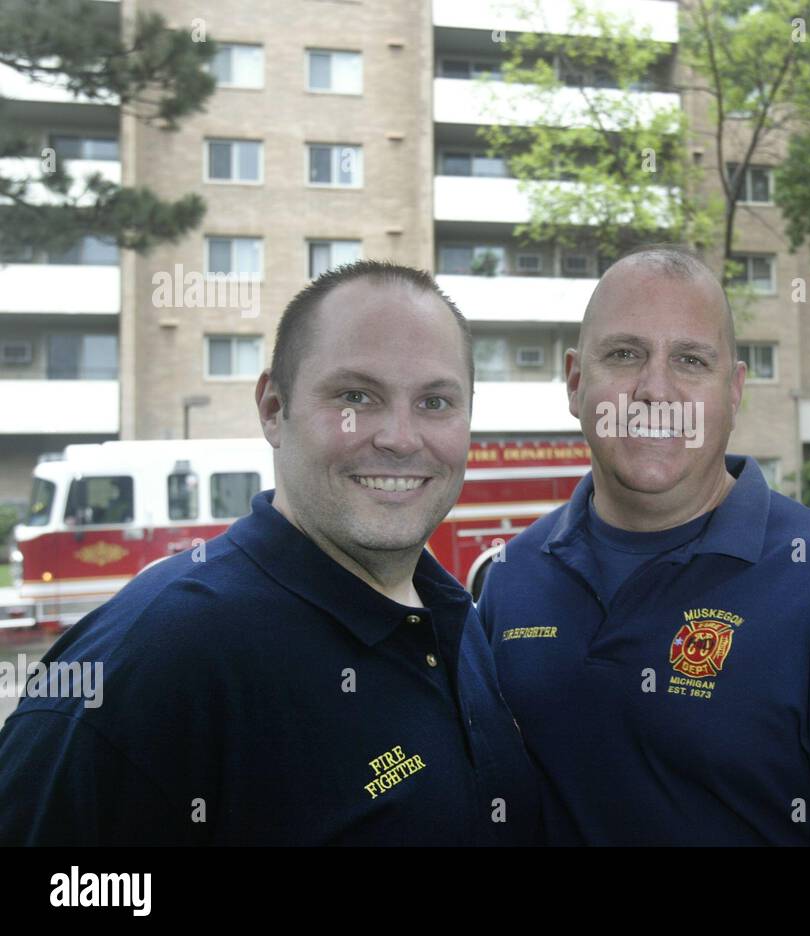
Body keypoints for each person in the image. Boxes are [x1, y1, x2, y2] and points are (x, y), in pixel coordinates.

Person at [0, 261, 538, 845]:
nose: (400, 439)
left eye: (435, 402)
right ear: (273, 409)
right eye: (356, 396)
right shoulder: (152, 662)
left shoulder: (453, 619)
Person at [477, 245, 810, 845]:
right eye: (624, 354)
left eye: (690, 360)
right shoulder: (513, 579)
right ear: (575, 382)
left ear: (733, 391)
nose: (655, 391)